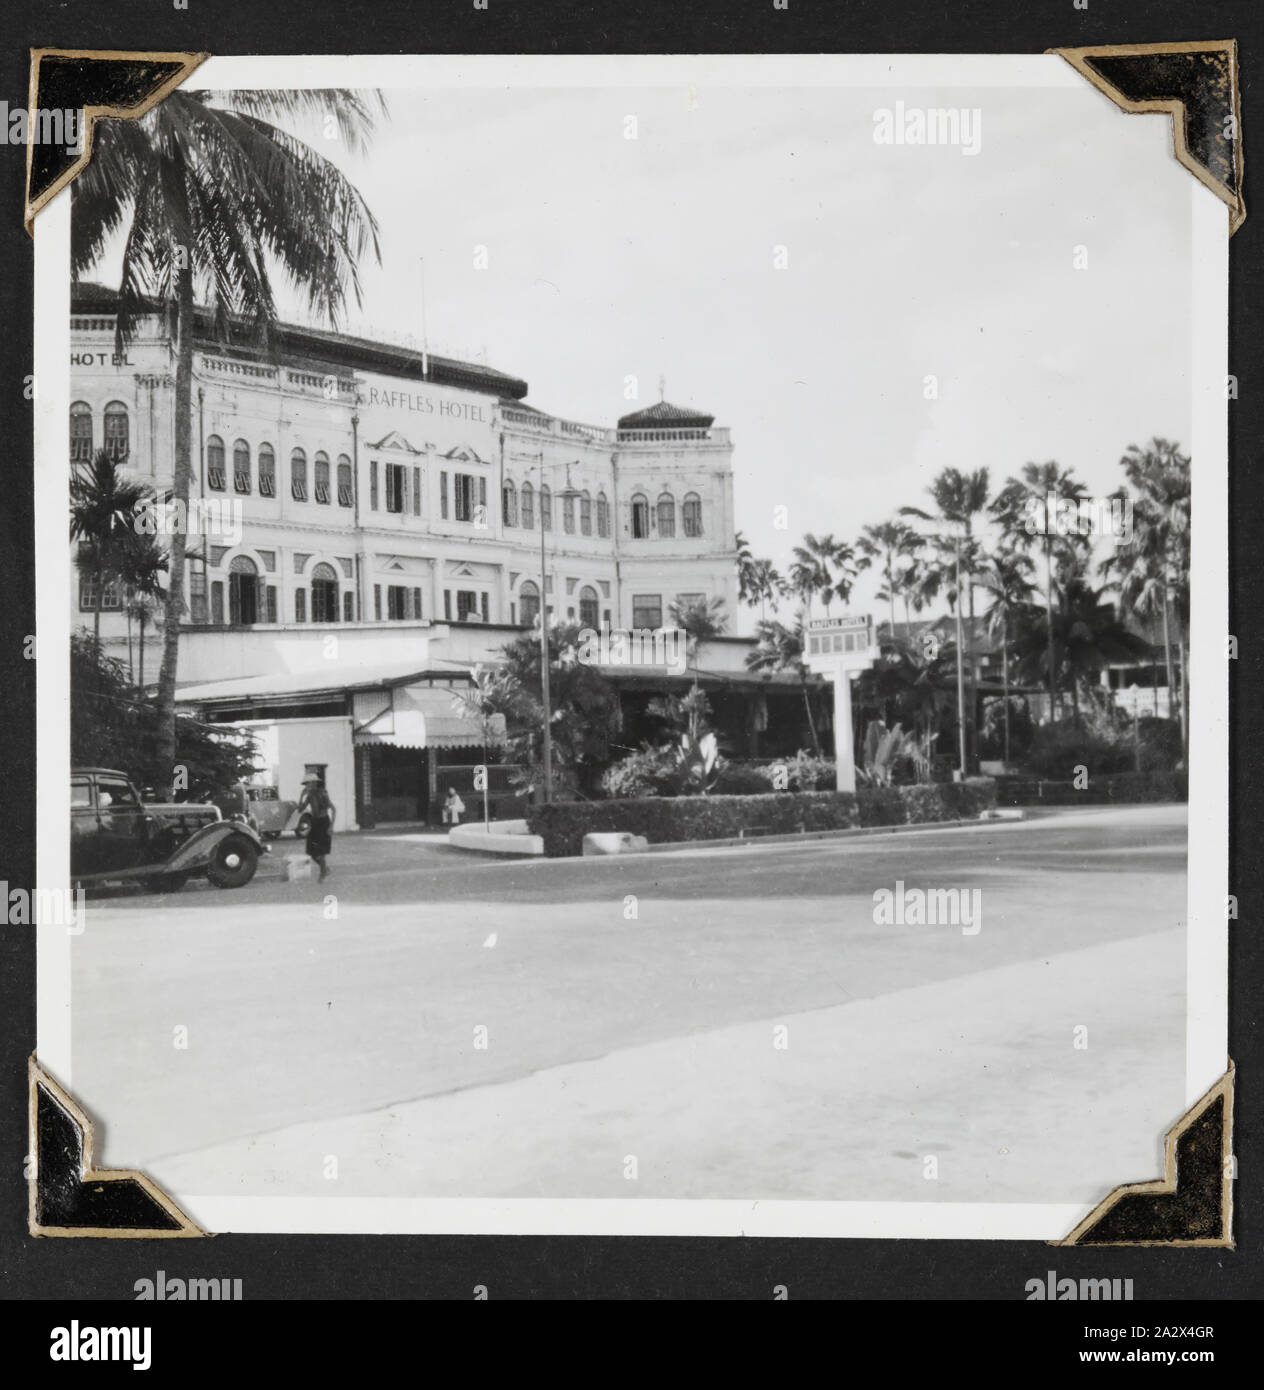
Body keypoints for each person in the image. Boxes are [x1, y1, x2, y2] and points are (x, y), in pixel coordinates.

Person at [297, 774, 335, 882]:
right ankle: (325, 869)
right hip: (315, 823)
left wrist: (331, 826)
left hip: (324, 823)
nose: (307, 786)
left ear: (314, 783)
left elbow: (333, 809)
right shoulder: (309, 796)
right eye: (306, 784)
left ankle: (322, 875)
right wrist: (301, 796)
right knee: (311, 851)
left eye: (308, 783)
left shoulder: (323, 793)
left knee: (321, 852)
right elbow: (300, 810)